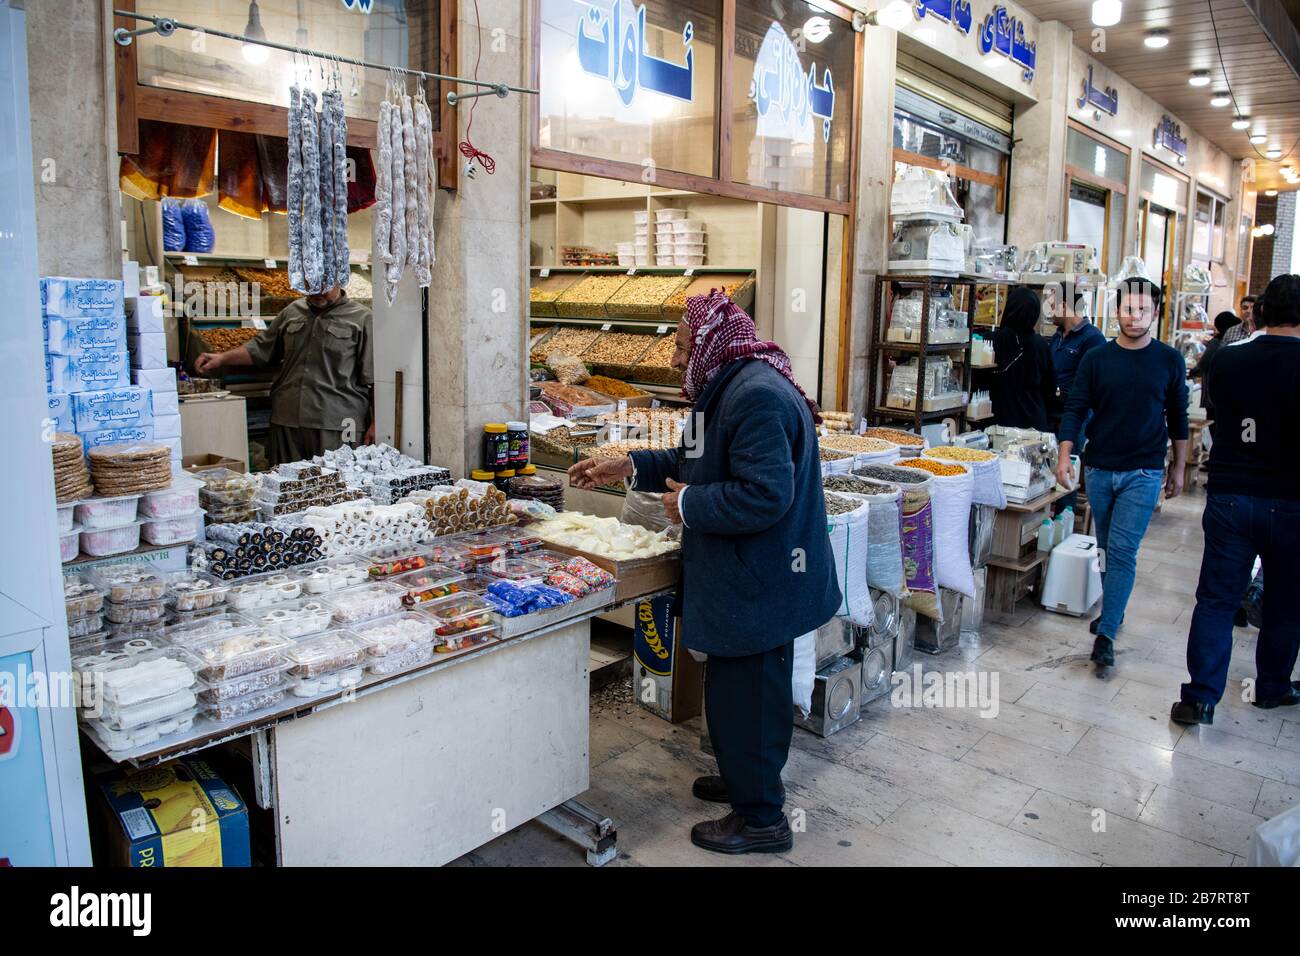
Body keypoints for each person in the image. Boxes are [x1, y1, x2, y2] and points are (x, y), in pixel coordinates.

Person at [568, 290, 840, 855]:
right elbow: (689, 457)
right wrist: (631, 464)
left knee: (751, 698)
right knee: (740, 694)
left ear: (711, 341)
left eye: (683, 344)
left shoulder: (757, 398)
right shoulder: (727, 389)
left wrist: (690, 504)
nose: (672, 357)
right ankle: (748, 783)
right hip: (752, 579)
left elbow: (766, 495)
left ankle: (762, 818)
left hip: (761, 580)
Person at [1172, 274, 1300, 725]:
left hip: (1231, 494)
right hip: (1291, 502)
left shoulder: (1227, 360)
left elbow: (1218, 415)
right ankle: (1272, 687)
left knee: (1217, 599)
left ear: (1261, 312)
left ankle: (1201, 697)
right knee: (1287, 601)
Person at [1056, 277, 1189, 668]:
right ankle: (1114, 607)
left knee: (1123, 551)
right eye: (1128, 309)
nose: (1134, 317)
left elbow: (1178, 417)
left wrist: (1179, 466)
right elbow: (1076, 408)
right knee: (1105, 547)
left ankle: (1108, 633)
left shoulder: (1169, 360)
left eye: (1143, 310)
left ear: (1156, 313)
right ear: (1117, 311)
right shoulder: (1097, 358)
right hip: (1100, 468)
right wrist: (1066, 455)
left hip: (1144, 472)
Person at [195, 285, 374, 464]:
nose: (317, 292)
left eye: (324, 286)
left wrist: (376, 424)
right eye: (311, 286)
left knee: (336, 484)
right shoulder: (292, 312)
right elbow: (261, 348)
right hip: (287, 420)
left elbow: (377, 380)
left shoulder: (363, 318)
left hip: (336, 424)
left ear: (339, 281)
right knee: (284, 483)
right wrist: (221, 358)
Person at [989, 286, 1056, 431]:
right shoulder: (1041, 345)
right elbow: (1049, 387)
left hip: (1000, 421)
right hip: (1035, 422)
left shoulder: (993, 341)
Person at [1046, 284, 1106, 434]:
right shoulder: (1056, 337)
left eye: (1053, 306)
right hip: (1052, 417)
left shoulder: (1092, 339)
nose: (1050, 312)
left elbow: (1095, 385)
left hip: (1076, 421)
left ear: (1064, 306)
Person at [1189, 311, 1241, 424]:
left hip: (1213, 392)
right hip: (1230, 393)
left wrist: (1191, 373)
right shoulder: (1237, 340)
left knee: (1213, 424)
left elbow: (1203, 364)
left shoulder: (1216, 342)